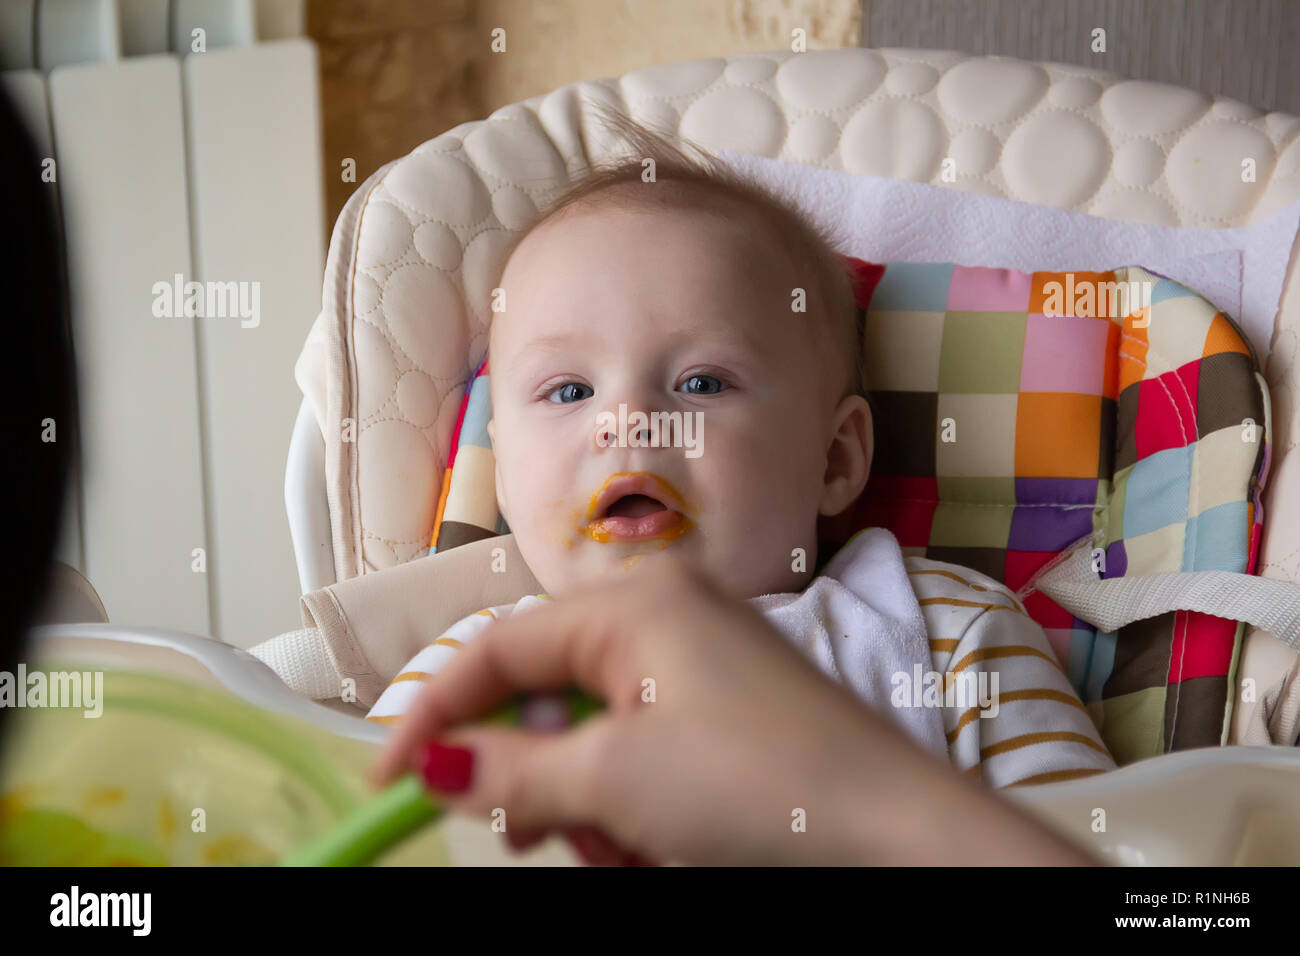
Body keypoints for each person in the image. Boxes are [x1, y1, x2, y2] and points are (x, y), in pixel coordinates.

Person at [371, 555, 1099, 865]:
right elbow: (346, 794)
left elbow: (1122, 838)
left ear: (835, 458)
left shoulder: (940, 622)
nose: (630, 423)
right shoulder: (479, 654)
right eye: (568, 391)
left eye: (701, 383)